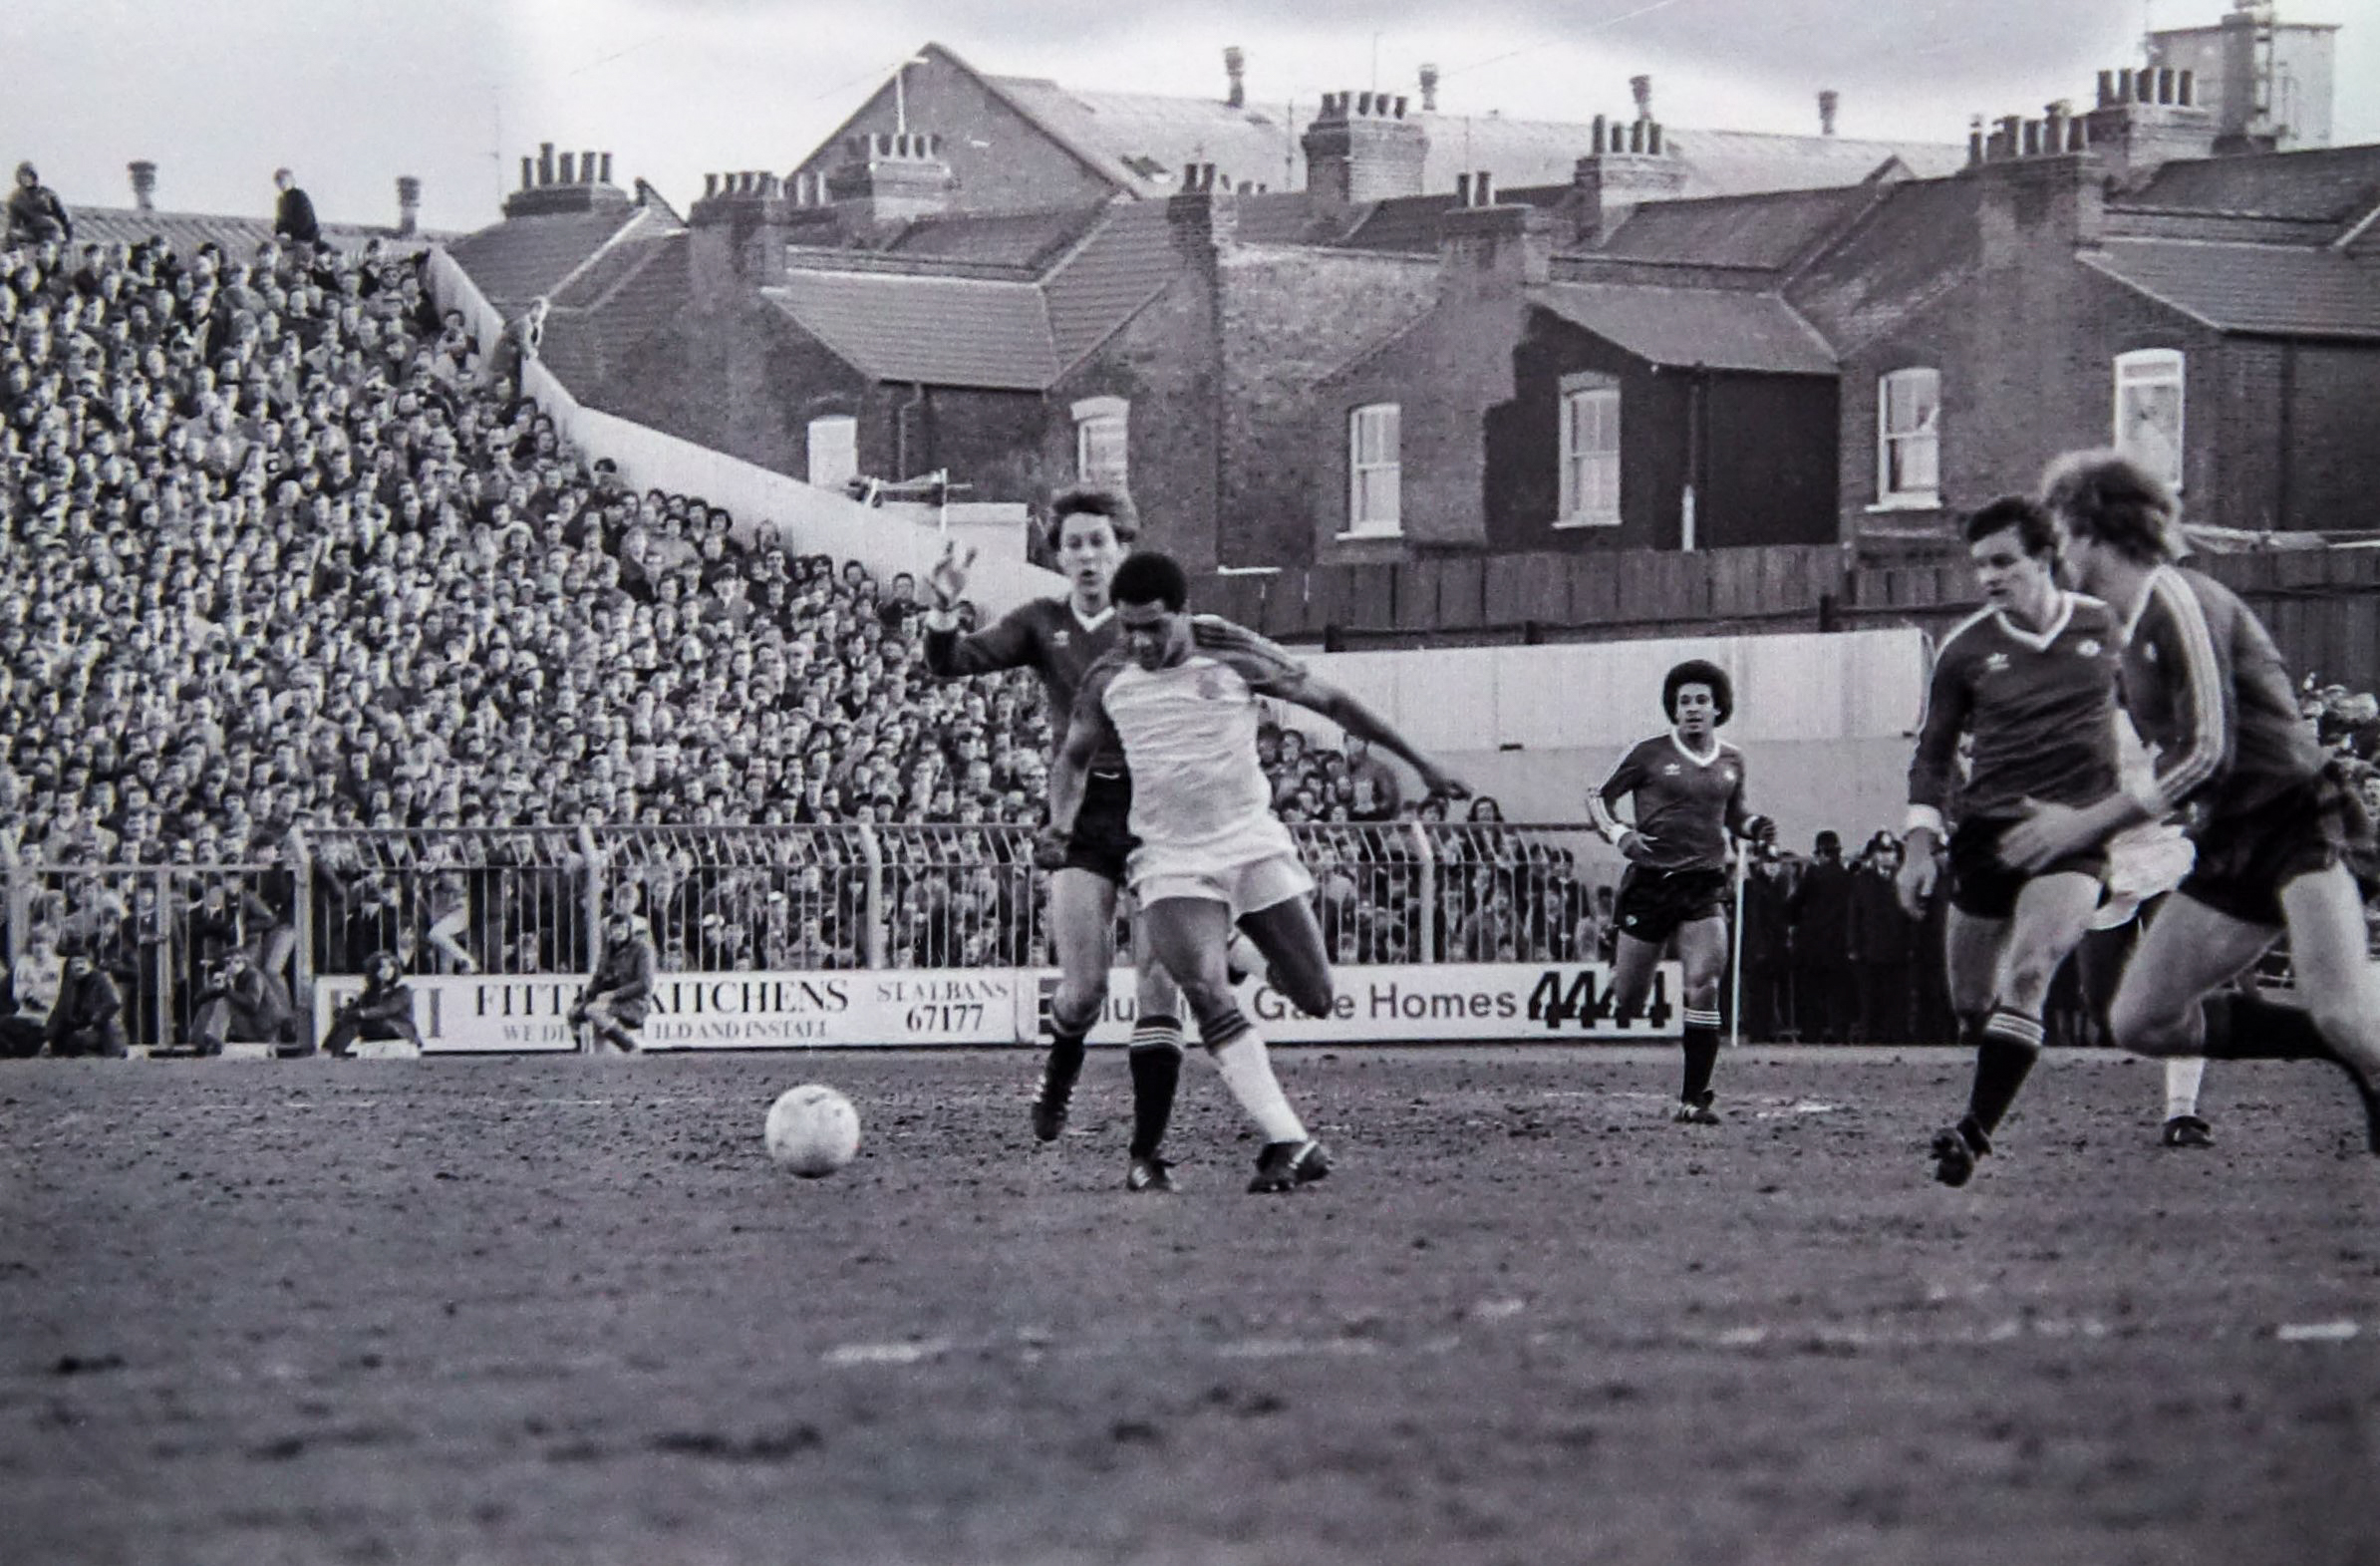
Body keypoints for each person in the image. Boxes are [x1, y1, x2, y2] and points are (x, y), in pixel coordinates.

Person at [1043, 549, 1468, 1192]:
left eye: (1153, 626)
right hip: (1171, 859)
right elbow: (1073, 757)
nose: (1140, 641)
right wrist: (1059, 821)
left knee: (1317, 998)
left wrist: (1424, 764)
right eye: (1129, 627)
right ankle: (1288, 1140)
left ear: (1184, 613)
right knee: (1205, 993)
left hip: (1252, 844)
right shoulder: (1109, 677)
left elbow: (1333, 702)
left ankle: (1234, 951)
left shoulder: (1232, 650)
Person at [1998, 450, 2380, 1157]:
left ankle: (2360, 1042)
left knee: (2345, 1012)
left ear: (2093, 531)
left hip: (2297, 817)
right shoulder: (2125, 628)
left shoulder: (2179, 598)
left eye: (2059, 533)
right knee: (2141, 1019)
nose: (2053, 551)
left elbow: (2209, 749)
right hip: (2232, 837)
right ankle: (2351, 1049)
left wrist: (2088, 821)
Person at [925, 486, 1212, 1191]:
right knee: (1083, 992)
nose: (1087, 554)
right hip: (1080, 812)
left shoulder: (1157, 621)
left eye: (1099, 540)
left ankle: (1147, 1154)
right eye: (1074, 543)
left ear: (1123, 546)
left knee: (1157, 980)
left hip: (1158, 813)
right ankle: (1061, 1067)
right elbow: (948, 664)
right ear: (1058, 555)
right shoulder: (1040, 622)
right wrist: (943, 606)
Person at [1897, 495, 2127, 1186]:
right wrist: (1916, 844)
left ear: (2045, 557)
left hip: (2077, 835)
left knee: (2030, 972)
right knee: (1972, 1002)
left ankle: (1973, 1132)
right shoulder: (1966, 649)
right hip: (1988, 834)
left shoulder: (2107, 629)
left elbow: (2168, 713)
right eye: (1980, 566)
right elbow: (1933, 755)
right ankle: (1993, 1048)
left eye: (2004, 561)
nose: (1990, 577)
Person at [1586, 660, 1777, 1122]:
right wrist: (1620, 835)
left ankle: (1695, 1099)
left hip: (1704, 885)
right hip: (1650, 884)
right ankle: (1618, 971)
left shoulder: (1732, 760)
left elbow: (1734, 814)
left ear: (1717, 708)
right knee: (1630, 999)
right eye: (1684, 701)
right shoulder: (1648, 754)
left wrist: (1754, 827)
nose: (1693, 709)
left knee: (1704, 985)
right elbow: (1598, 798)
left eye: (1701, 701)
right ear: (1673, 708)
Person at [572, 908, 655, 1053]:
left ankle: (630, 1047)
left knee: (594, 1010)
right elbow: (599, 978)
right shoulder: (607, 949)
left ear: (629, 929)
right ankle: (581, 1050)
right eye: (615, 928)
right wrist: (586, 995)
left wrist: (614, 994)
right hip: (611, 1000)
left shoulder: (642, 949)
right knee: (573, 1013)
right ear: (610, 931)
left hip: (634, 1002)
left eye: (622, 928)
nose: (618, 932)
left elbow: (644, 984)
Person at [320, 949, 422, 1058]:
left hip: (398, 1031)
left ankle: (330, 1052)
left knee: (356, 1020)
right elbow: (357, 1007)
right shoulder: (370, 993)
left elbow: (386, 1009)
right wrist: (344, 1013)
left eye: (390, 966)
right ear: (374, 970)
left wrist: (361, 1013)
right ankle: (328, 1050)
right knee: (348, 1020)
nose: (387, 970)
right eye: (382, 967)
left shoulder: (402, 991)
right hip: (378, 1031)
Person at [45, 936, 129, 1059]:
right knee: (60, 1041)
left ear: (89, 963)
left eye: (82, 962)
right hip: (80, 1027)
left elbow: (113, 1003)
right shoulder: (70, 983)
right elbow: (60, 1010)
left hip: (102, 1032)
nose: (79, 966)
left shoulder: (101, 979)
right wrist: (48, 1035)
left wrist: (96, 1020)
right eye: (75, 962)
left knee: (77, 1040)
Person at [7, 161, 72, 245]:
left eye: (28, 175)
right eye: (23, 176)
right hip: (31, 232)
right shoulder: (16, 198)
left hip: (50, 230)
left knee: (48, 249)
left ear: (34, 176)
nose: (26, 179)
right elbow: (14, 223)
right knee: (11, 236)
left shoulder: (47, 193)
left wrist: (69, 237)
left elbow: (63, 217)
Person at [272, 168, 320, 249]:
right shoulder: (281, 199)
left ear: (291, 181)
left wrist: (290, 234)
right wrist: (279, 232)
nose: (281, 184)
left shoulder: (299, 196)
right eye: (278, 181)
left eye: (283, 180)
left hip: (306, 238)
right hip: (292, 238)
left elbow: (306, 219)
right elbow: (281, 220)